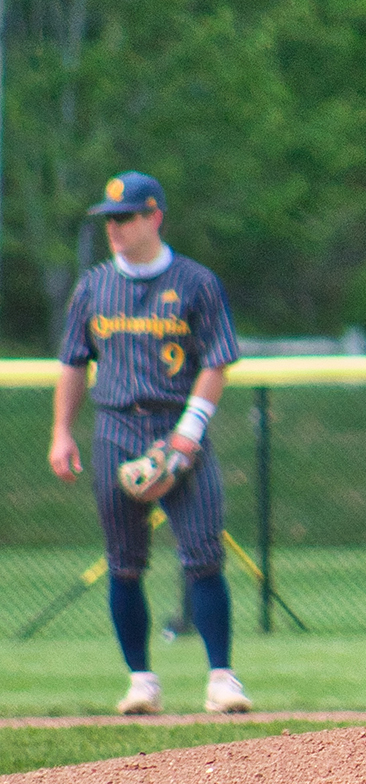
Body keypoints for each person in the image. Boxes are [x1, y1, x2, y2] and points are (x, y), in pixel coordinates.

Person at [46, 172, 251, 715]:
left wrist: (188, 435)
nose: (114, 227)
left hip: (179, 427)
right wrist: (62, 431)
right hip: (115, 428)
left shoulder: (196, 281)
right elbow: (72, 363)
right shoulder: (92, 286)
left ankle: (222, 679)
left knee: (204, 556)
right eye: (110, 218)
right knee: (124, 564)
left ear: (154, 217)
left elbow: (218, 360)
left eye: (126, 216)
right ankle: (141, 680)